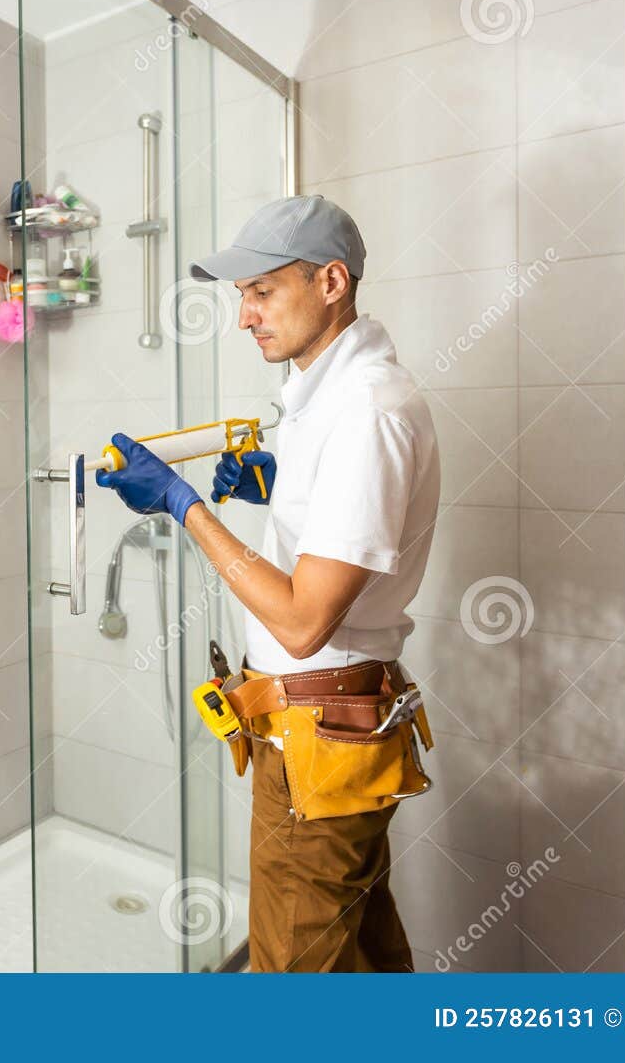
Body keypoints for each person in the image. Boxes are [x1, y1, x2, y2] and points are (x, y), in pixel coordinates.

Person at [95, 195, 440, 972]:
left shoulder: (367, 411)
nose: (244, 316)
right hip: (318, 735)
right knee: (365, 961)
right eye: (239, 296)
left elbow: (303, 621)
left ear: (331, 282)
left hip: (318, 741)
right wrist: (279, 486)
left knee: (291, 978)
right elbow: (344, 530)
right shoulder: (334, 399)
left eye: (261, 291)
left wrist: (182, 504)